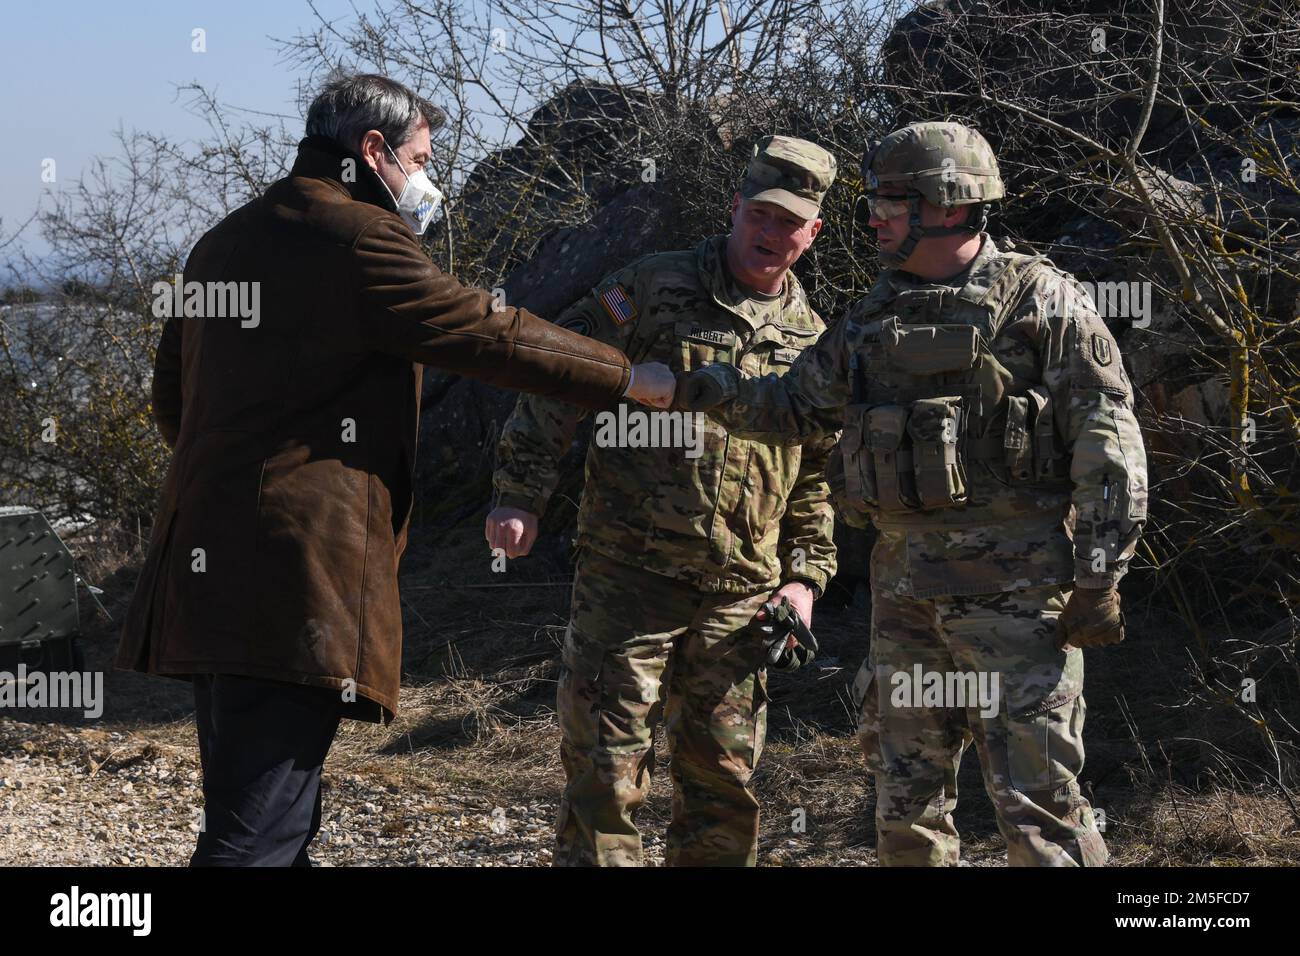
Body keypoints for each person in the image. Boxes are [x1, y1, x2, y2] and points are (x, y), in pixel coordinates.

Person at [116, 73, 670, 866]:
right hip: (293, 578)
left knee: (268, 814)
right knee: (257, 837)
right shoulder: (357, 239)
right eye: (419, 156)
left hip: (205, 565)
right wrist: (623, 376)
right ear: (372, 150)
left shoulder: (226, 238)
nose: (425, 175)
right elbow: (484, 330)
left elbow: (175, 401)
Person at [665, 121, 1149, 866]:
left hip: (1020, 606)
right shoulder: (872, 314)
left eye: (889, 201)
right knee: (903, 805)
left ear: (948, 205)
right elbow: (792, 406)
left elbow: (1110, 448)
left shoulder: (1041, 300)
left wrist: (1100, 577)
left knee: (1039, 810)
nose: (873, 218)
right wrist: (703, 388)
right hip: (905, 603)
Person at [487, 136, 840, 866]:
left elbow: (817, 474)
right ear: (737, 207)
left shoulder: (815, 342)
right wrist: (518, 494)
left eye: (790, 222)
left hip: (741, 597)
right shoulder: (654, 287)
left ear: (814, 233)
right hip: (629, 578)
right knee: (605, 778)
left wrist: (805, 578)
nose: (771, 234)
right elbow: (563, 378)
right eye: (762, 215)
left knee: (723, 791)